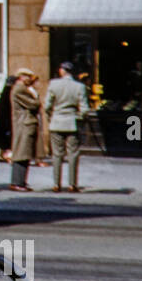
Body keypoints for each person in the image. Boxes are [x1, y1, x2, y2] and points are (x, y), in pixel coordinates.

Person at [44, 61, 88, 192]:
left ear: (62, 71)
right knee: (73, 154)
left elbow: (47, 105)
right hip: (72, 123)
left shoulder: (53, 84)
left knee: (57, 154)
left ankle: (56, 184)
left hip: (56, 121)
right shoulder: (79, 87)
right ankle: (72, 184)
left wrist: (51, 117)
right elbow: (84, 109)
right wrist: (79, 118)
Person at [8, 68, 40, 191]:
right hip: (24, 124)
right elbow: (34, 104)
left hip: (23, 123)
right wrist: (35, 94)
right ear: (21, 77)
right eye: (28, 76)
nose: (30, 79)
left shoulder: (20, 88)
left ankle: (20, 181)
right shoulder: (20, 89)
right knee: (22, 153)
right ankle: (17, 182)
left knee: (24, 153)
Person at [0, 77, 15, 163]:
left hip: (1, 118)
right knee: (6, 138)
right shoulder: (9, 92)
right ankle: (5, 155)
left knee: (2, 137)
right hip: (6, 119)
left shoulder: (5, 91)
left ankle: (1, 154)